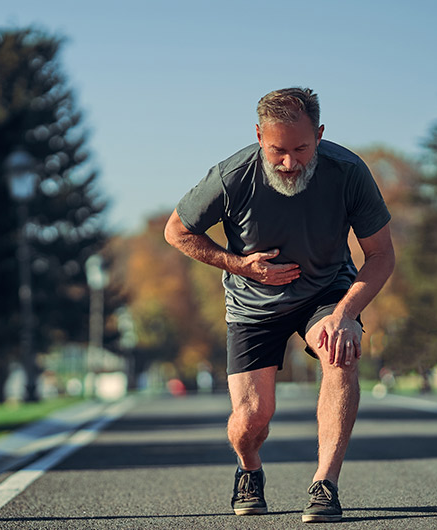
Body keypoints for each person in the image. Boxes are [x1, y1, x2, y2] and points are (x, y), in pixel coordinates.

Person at [164, 87, 395, 523]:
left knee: (339, 352)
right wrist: (239, 265)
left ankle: (325, 484)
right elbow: (176, 232)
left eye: (302, 149)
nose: (290, 162)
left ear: (320, 135)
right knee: (251, 419)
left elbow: (382, 254)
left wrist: (345, 314)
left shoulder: (348, 172)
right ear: (258, 136)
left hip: (325, 291)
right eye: (278, 151)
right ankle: (249, 469)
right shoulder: (231, 176)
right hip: (252, 304)